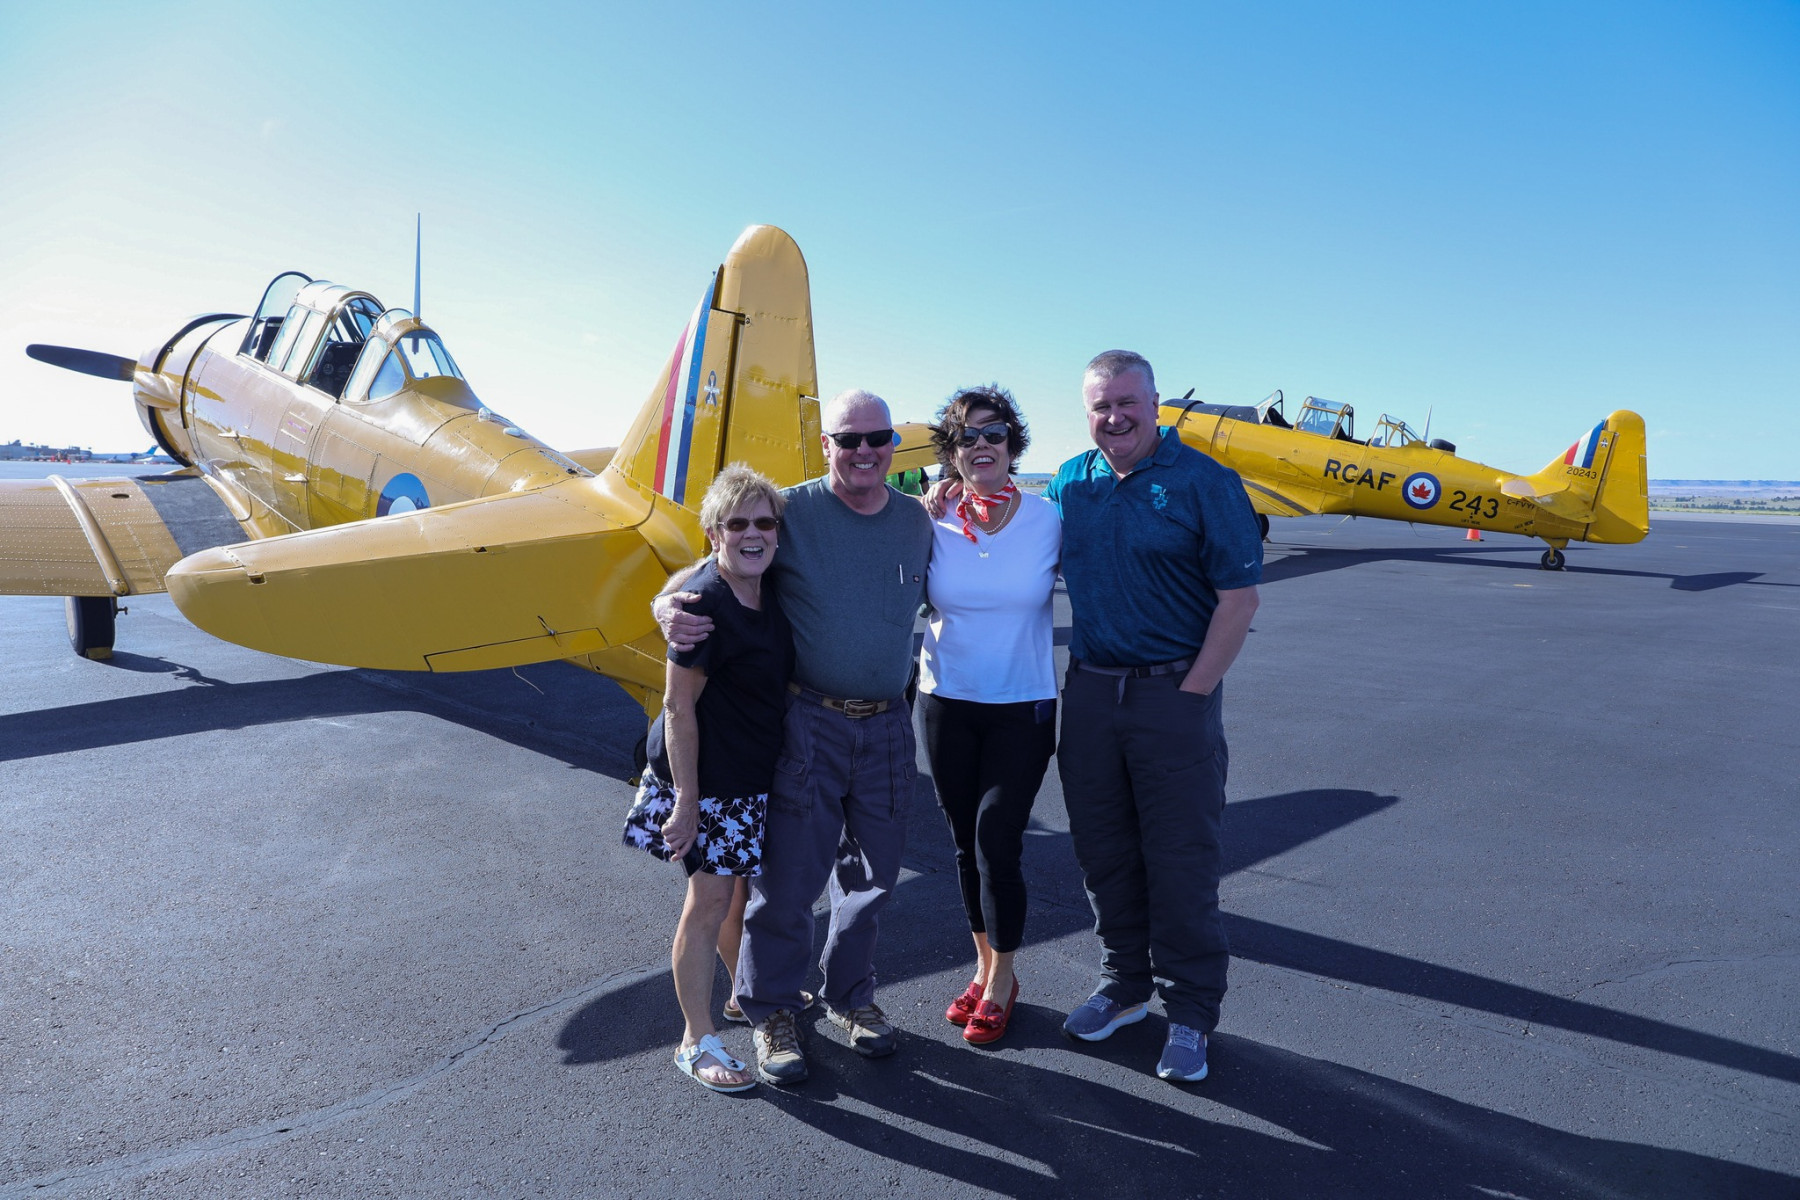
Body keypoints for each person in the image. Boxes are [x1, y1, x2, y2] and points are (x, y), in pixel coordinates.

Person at [656, 389, 932, 1086]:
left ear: (893, 444)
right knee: (787, 881)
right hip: (812, 720)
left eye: (877, 438)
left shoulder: (916, 520)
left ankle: (851, 997)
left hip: (889, 724)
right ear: (827, 444)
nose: (864, 451)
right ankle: (772, 1009)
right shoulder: (793, 510)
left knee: (873, 877)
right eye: (849, 439)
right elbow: (720, 555)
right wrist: (666, 602)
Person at [1047, 350, 1262, 1084]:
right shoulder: (1071, 482)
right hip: (1090, 694)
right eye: (1100, 406)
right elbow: (1011, 537)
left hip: (1172, 694)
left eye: (1126, 403)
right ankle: (1124, 986)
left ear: (1155, 404)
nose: (1115, 418)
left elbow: (1239, 601)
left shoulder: (1205, 482)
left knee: (1180, 860)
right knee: (1103, 851)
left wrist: (1192, 693)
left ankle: (1192, 1010)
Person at [621, 464, 793, 1093]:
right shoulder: (703, 605)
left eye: (764, 522)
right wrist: (688, 802)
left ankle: (739, 993)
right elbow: (677, 707)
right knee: (709, 902)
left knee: (735, 895)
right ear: (715, 533)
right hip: (707, 779)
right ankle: (695, 1041)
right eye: (736, 523)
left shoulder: (766, 585)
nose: (753, 534)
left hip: (746, 776)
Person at [916, 385, 1061, 1045]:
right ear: (951, 452)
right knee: (961, 843)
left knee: (996, 839)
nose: (981, 445)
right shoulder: (930, 518)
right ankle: (982, 966)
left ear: (1012, 444)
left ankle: (1003, 978)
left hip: (1021, 706)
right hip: (945, 702)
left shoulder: (1049, 519)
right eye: (966, 436)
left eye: (994, 432)